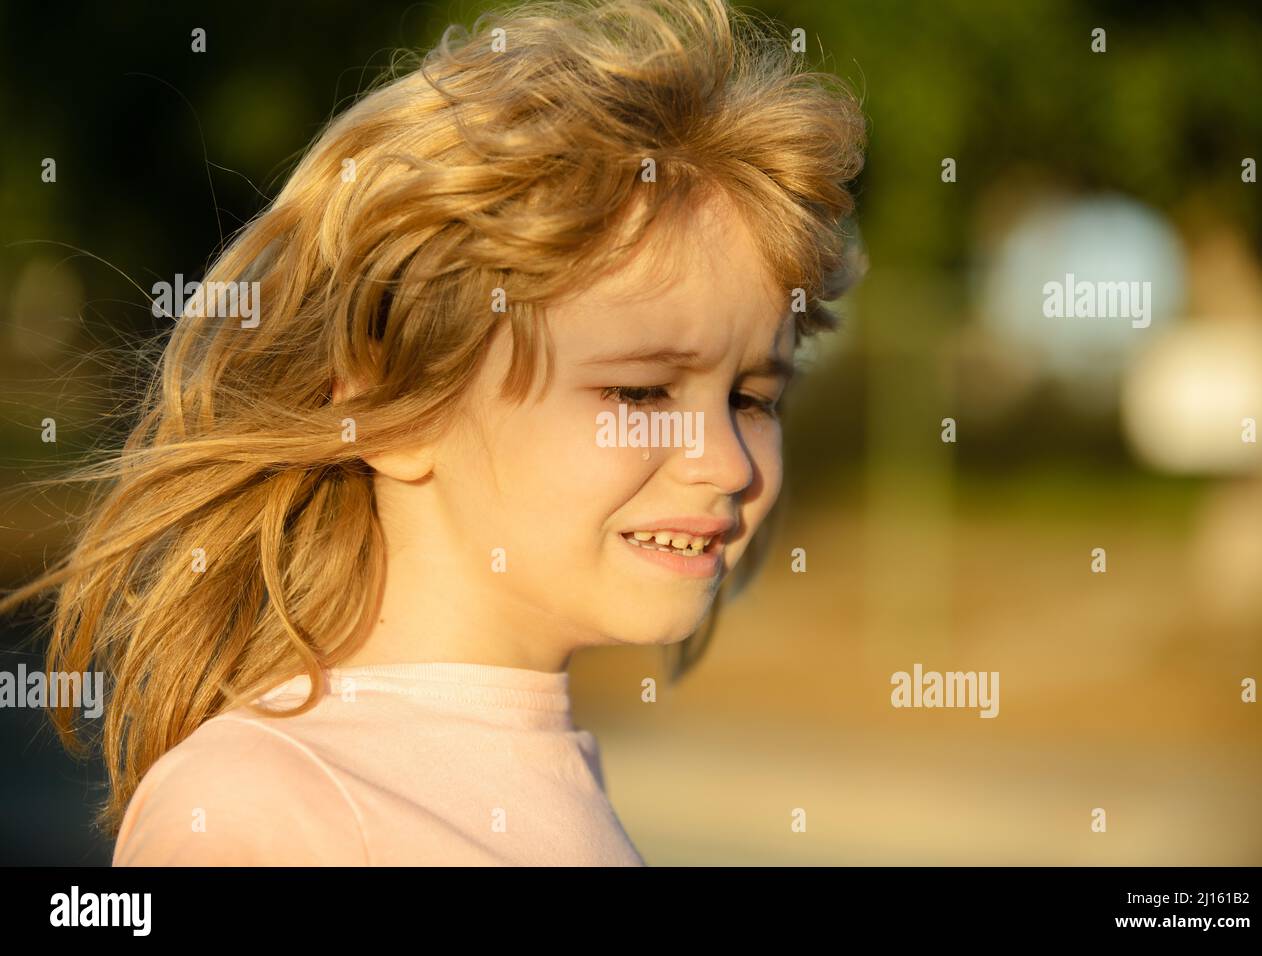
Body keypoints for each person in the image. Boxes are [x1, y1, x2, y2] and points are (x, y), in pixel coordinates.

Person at [0, 0, 865, 865]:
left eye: (753, 399)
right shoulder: (262, 806)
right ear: (392, 409)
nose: (725, 461)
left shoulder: (552, 781)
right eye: (640, 392)